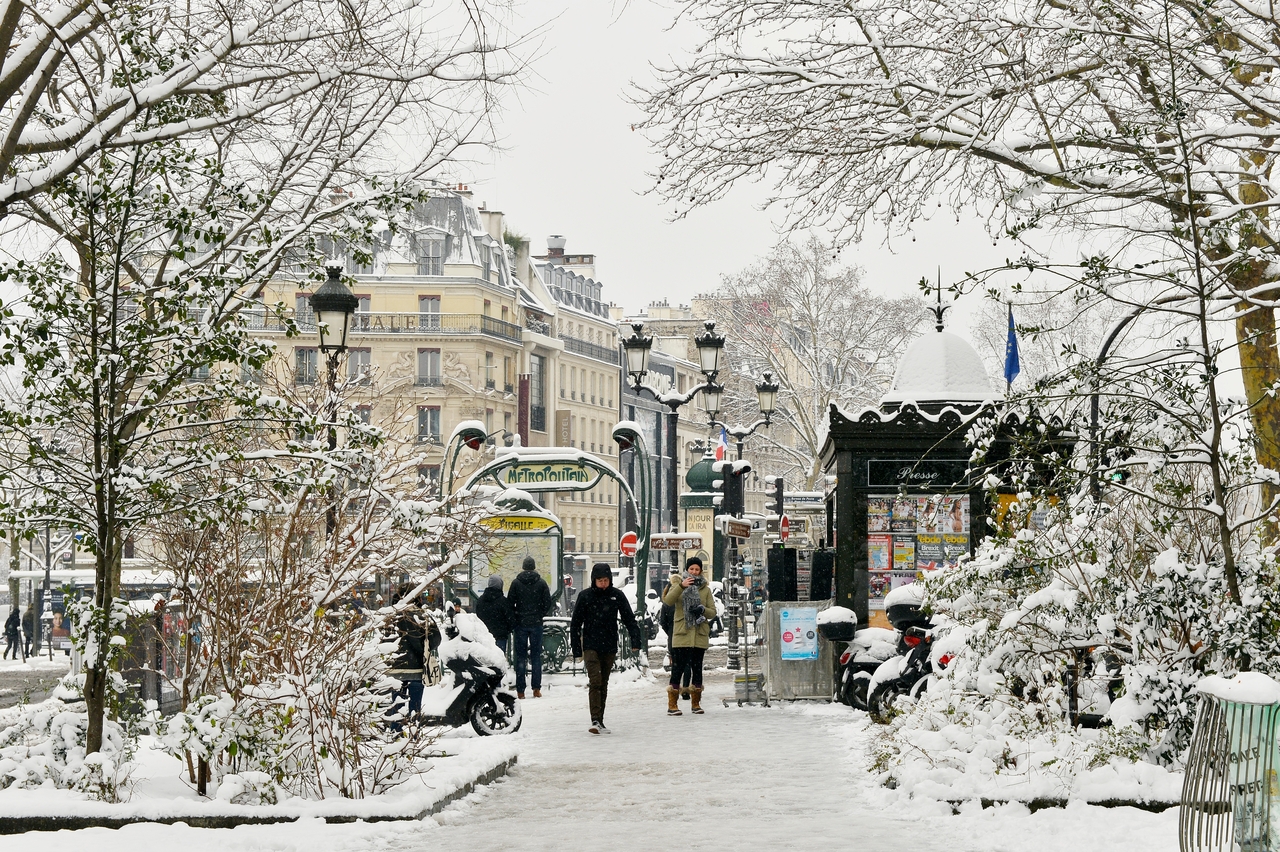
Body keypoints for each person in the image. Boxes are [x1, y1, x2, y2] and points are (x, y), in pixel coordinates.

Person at [571, 563, 641, 735]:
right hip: (590, 644)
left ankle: (600, 719)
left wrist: (635, 640)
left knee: (603, 682)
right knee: (595, 681)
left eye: (606, 580)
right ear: (594, 580)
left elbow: (628, 618)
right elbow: (575, 623)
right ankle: (595, 719)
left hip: (609, 644)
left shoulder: (617, 596)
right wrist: (576, 649)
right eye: (600, 580)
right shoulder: (585, 596)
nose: (603, 583)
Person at [662, 556, 715, 716]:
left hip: (699, 635)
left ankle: (696, 704)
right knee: (677, 669)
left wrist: (702, 609)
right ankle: (672, 705)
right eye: (691, 569)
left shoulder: (705, 589)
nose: (694, 572)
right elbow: (668, 601)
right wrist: (680, 586)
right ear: (687, 570)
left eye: (697, 569)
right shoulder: (678, 584)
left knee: (697, 669)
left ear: (700, 571)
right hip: (682, 634)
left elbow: (713, 611)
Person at [507, 555, 552, 698]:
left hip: (521, 623)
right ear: (533, 567)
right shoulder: (541, 583)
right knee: (536, 657)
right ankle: (536, 689)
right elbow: (547, 603)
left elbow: (510, 603)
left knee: (520, 657)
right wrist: (539, 614)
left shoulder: (516, 583)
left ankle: (520, 690)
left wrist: (517, 615)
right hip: (536, 624)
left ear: (523, 567)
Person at [387, 586, 427, 727]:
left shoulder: (389, 616)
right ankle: (412, 737)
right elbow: (435, 638)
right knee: (414, 708)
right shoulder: (420, 616)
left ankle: (397, 736)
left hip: (396, 670)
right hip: (416, 669)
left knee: (397, 708)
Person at [475, 574, 514, 651]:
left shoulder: (480, 601)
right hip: (500, 636)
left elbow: (478, 616)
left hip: (485, 636)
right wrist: (507, 630)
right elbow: (510, 619)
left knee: (486, 660)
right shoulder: (503, 601)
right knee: (499, 659)